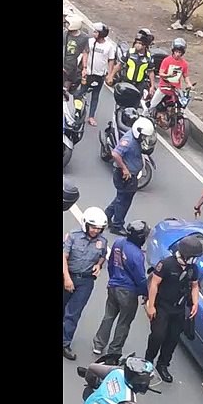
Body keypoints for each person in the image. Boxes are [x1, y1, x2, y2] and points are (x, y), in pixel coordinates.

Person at [144, 235, 201, 383]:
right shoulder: (166, 264)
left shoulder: (192, 269)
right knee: (158, 335)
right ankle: (147, 362)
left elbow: (195, 285)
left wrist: (195, 303)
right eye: (194, 257)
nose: (195, 260)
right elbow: (154, 284)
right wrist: (151, 305)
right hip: (162, 306)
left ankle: (163, 365)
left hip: (179, 309)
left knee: (173, 338)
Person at [92, 220, 150, 356]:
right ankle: (115, 350)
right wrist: (145, 293)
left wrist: (113, 279)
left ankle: (99, 344)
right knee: (124, 322)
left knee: (108, 316)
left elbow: (111, 262)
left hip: (114, 286)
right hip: (128, 292)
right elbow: (140, 278)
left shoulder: (119, 242)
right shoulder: (137, 255)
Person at [64, 207, 110, 360]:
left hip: (85, 281)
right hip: (68, 276)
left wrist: (99, 265)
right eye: (93, 227)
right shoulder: (73, 236)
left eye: (99, 228)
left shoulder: (102, 242)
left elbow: (102, 256)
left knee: (73, 313)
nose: (95, 231)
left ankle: (65, 343)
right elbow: (64, 257)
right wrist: (67, 279)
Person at [104, 117, 154, 234]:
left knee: (121, 197)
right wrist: (125, 169)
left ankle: (107, 215)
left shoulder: (136, 139)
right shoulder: (129, 141)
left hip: (132, 174)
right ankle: (117, 225)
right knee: (124, 200)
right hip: (125, 176)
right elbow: (115, 154)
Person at [77, 23, 120, 126]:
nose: (94, 33)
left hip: (99, 75)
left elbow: (111, 60)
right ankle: (77, 112)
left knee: (95, 96)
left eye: (96, 32)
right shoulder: (90, 42)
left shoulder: (109, 46)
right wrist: (84, 68)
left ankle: (91, 117)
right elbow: (85, 54)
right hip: (88, 74)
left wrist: (109, 75)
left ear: (101, 34)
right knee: (79, 93)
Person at [147, 38, 191, 114]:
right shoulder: (167, 60)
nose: (178, 54)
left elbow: (185, 75)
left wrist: (188, 83)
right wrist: (168, 76)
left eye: (179, 52)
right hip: (164, 87)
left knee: (182, 105)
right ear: (173, 51)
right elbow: (161, 73)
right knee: (152, 105)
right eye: (176, 52)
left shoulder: (184, 64)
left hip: (175, 89)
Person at [64, 16, 90, 91]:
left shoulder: (84, 38)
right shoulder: (64, 34)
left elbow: (85, 52)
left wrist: (84, 68)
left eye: (68, 23)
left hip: (71, 67)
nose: (66, 24)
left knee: (66, 87)